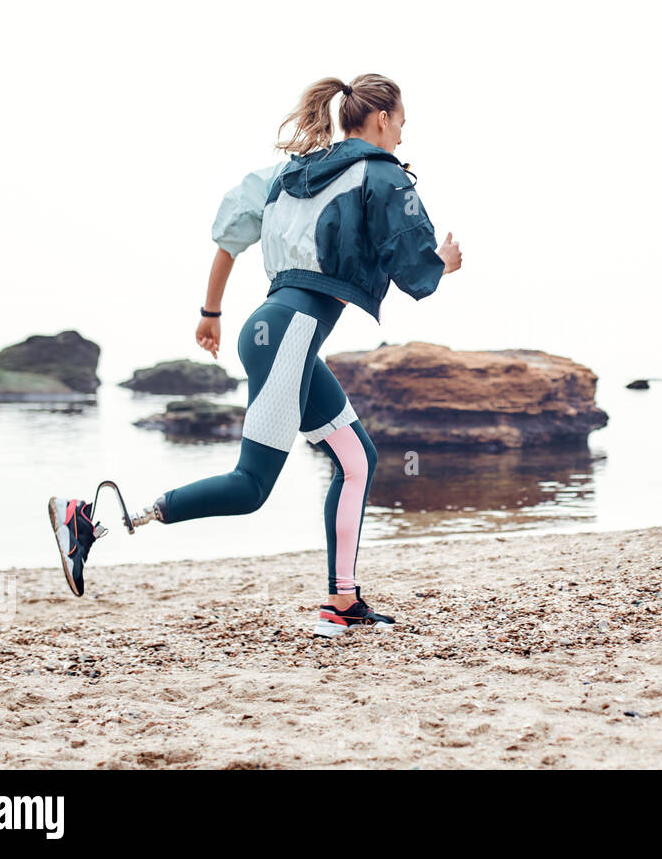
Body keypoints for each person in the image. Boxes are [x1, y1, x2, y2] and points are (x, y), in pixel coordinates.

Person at [47, 74, 462, 636]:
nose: (402, 135)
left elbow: (229, 235)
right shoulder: (381, 174)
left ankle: (343, 604)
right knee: (250, 487)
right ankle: (91, 524)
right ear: (383, 118)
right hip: (290, 334)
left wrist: (211, 313)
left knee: (358, 459)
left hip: (274, 328)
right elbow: (415, 265)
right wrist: (444, 262)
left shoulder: (290, 173)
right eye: (402, 122)